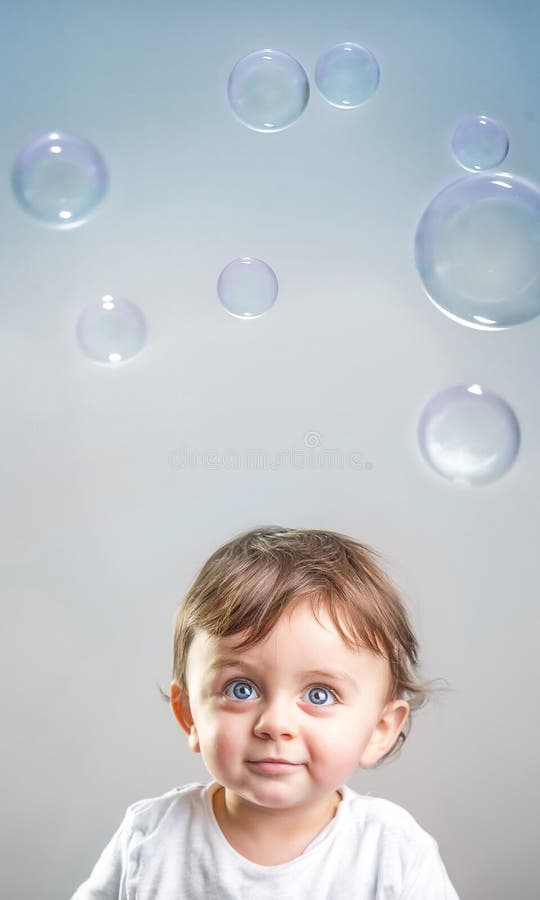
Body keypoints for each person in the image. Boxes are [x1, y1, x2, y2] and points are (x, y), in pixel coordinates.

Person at [71, 525, 460, 898]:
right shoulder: (151, 838)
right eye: (241, 689)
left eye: (320, 695)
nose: (274, 724)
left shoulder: (392, 853)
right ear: (189, 714)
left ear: (379, 730)